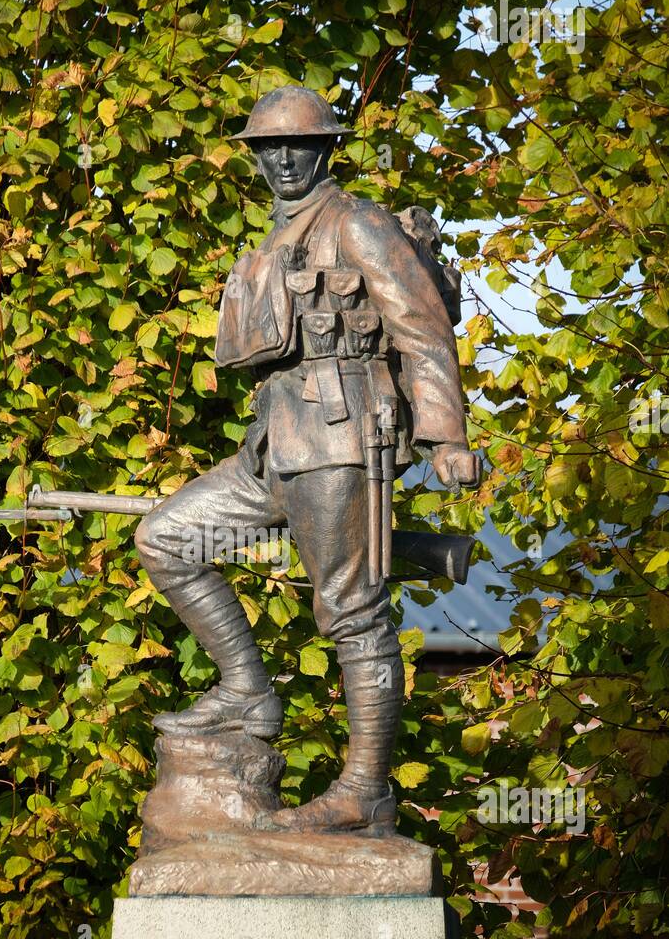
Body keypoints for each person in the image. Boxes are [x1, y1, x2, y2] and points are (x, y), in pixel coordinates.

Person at [135, 86, 480, 833]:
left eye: (296, 146)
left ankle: (365, 792)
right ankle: (248, 689)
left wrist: (447, 439)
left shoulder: (357, 224)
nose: (283, 160)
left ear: (326, 149)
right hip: (277, 444)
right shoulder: (275, 234)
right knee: (167, 538)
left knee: (353, 614)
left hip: (343, 435)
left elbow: (422, 328)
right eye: (268, 150)